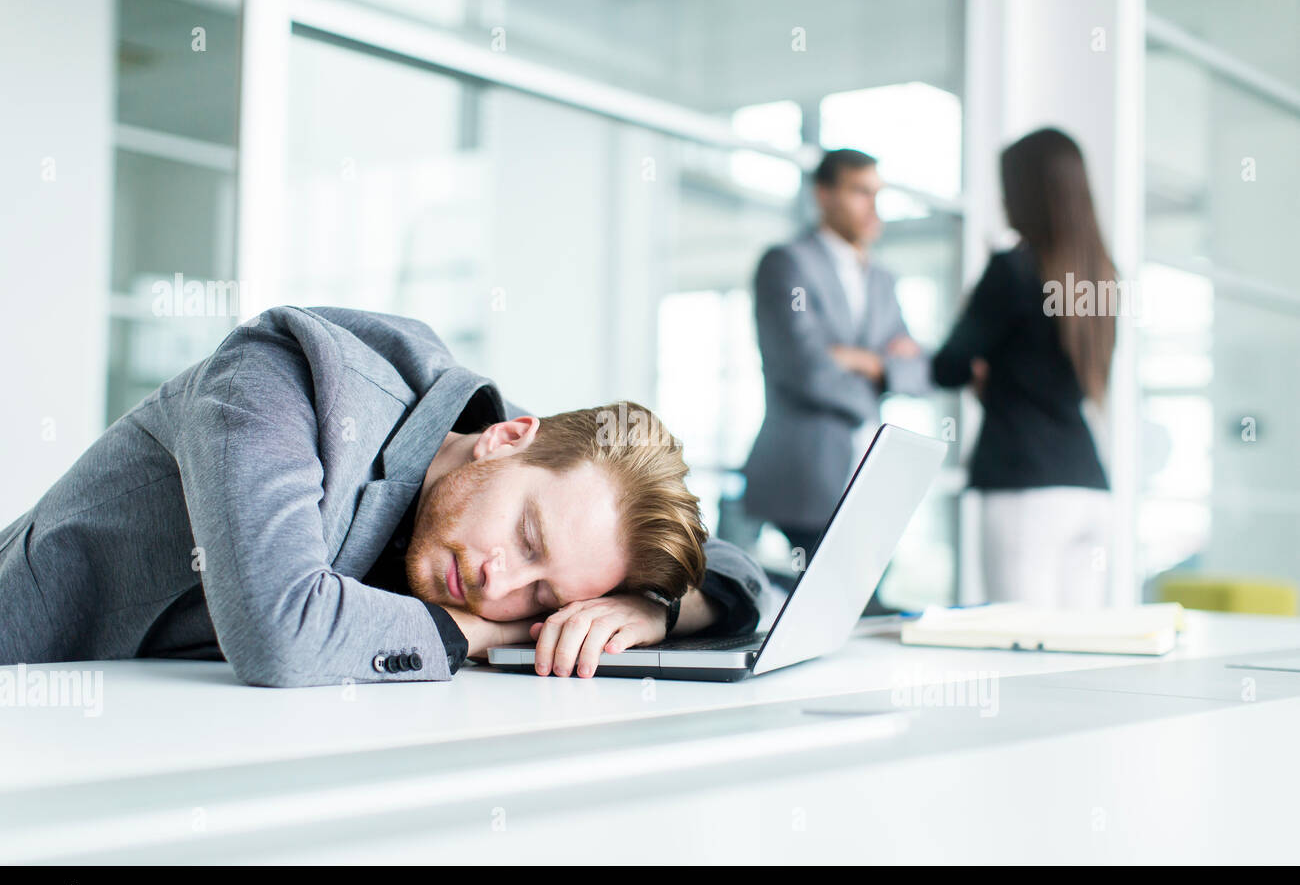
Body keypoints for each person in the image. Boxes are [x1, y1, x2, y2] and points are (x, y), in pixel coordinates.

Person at [0, 306, 770, 685]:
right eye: (528, 542)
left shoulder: (523, 481)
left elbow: (741, 572)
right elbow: (281, 630)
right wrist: (497, 633)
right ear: (507, 435)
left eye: (543, 593)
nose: (503, 583)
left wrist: (645, 611)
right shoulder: (279, 380)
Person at [931, 127, 1116, 608]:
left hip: (1025, 488)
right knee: (1080, 655)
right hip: (1089, 488)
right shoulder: (1101, 276)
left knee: (1023, 650)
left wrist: (980, 369)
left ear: (1026, 190)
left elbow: (948, 365)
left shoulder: (1012, 268)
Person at [742, 148, 929, 603]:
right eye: (860, 193)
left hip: (869, 469)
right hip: (806, 469)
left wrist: (864, 361)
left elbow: (922, 370)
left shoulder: (882, 279)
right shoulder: (787, 264)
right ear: (823, 195)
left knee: (864, 601)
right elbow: (805, 368)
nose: (874, 207)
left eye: (878, 194)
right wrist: (884, 364)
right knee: (834, 602)